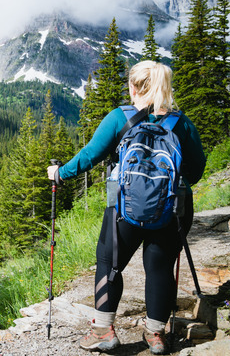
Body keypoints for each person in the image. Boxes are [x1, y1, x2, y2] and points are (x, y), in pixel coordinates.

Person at [47, 60, 205, 354]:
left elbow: (90, 155)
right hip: (170, 211)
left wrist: (59, 173)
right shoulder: (180, 123)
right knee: (159, 268)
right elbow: (196, 170)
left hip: (124, 209)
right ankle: (155, 336)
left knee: (109, 265)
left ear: (134, 87)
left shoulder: (121, 117)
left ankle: (103, 332)